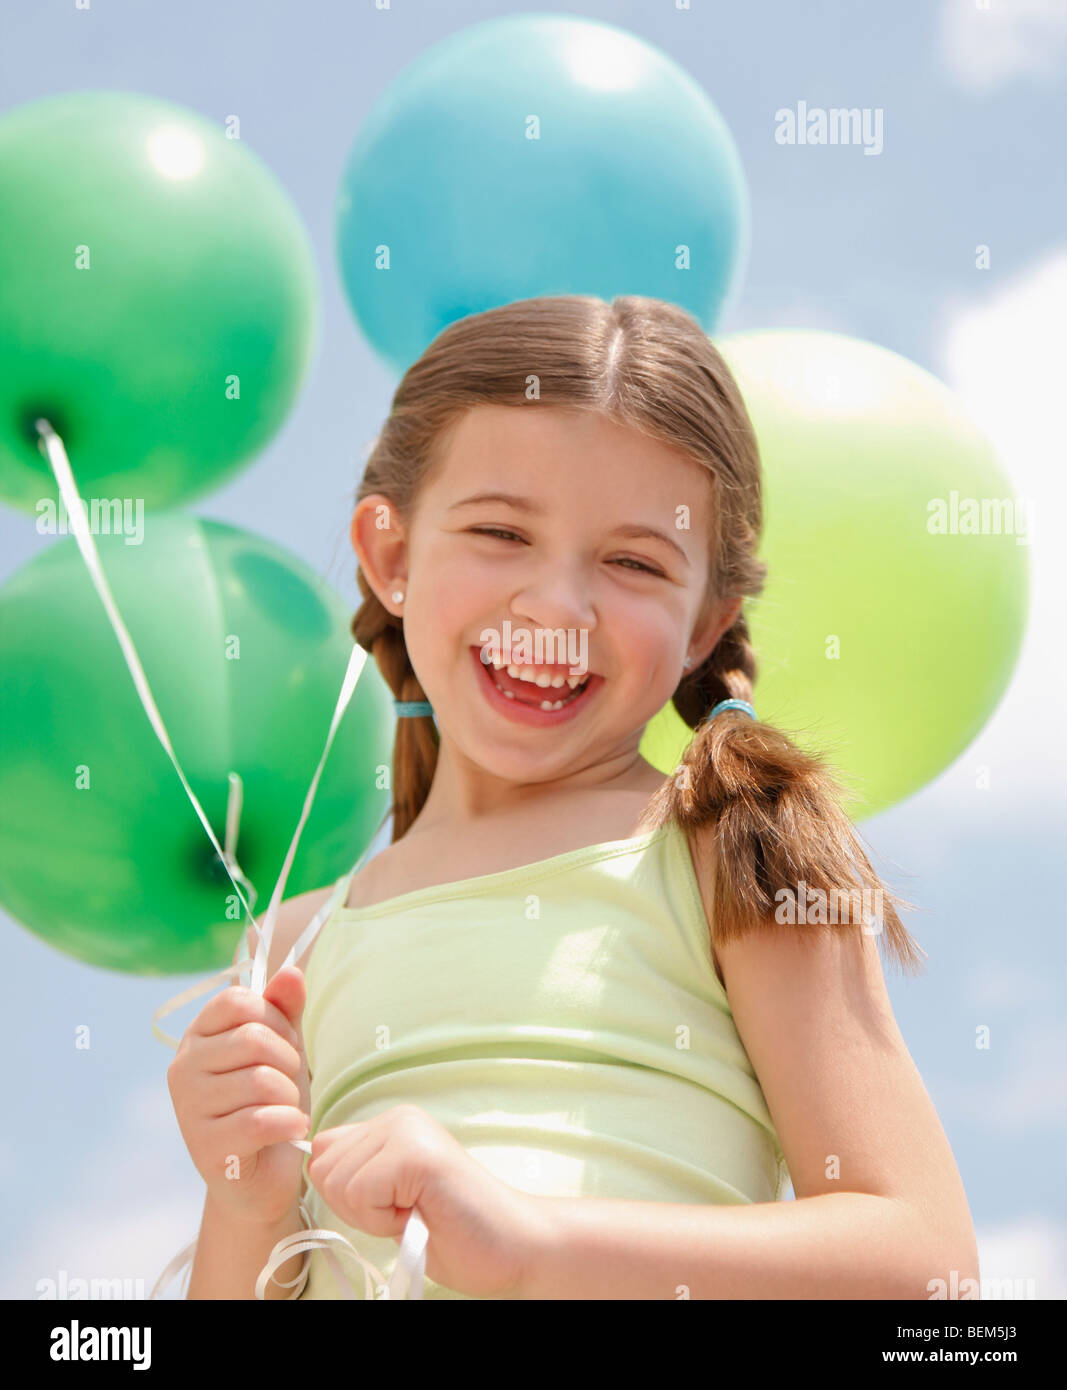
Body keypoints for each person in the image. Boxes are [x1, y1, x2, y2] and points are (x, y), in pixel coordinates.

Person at [170, 294, 979, 1300]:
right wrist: (245, 1201)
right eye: (501, 531)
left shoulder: (728, 847)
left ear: (701, 625)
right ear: (389, 558)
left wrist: (533, 1244)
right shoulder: (293, 946)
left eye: (633, 561)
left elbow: (923, 1262)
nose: (555, 606)